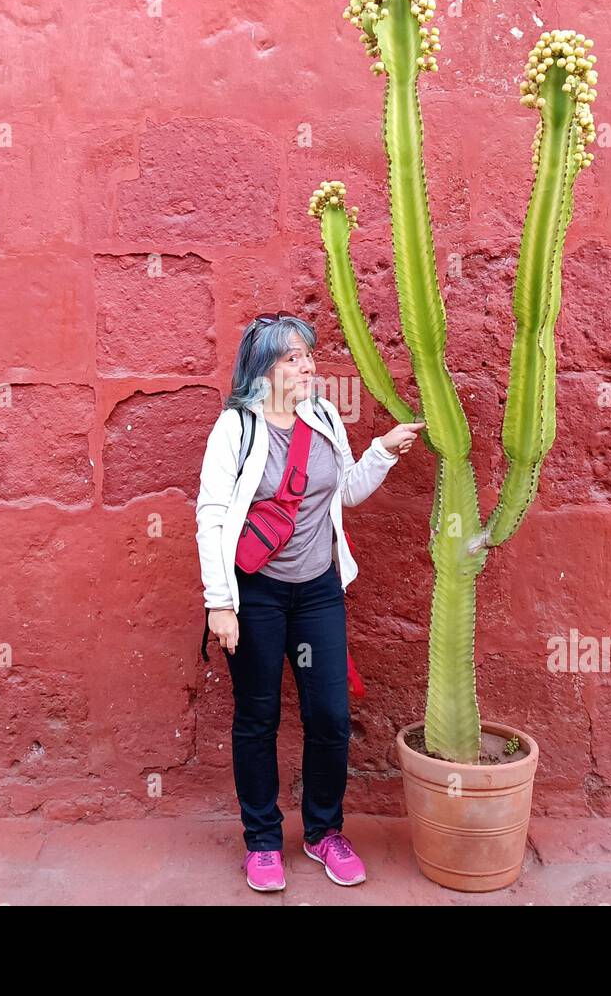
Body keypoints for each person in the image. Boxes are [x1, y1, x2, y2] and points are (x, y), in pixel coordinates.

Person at [194, 312, 422, 892]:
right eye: (292, 356)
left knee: (329, 716)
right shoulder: (235, 430)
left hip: (319, 590)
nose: (307, 364)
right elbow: (212, 516)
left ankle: (324, 833)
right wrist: (220, 604)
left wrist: (383, 451)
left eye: (308, 354)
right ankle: (263, 841)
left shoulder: (321, 417)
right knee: (257, 717)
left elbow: (342, 490)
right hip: (257, 596)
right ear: (263, 366)